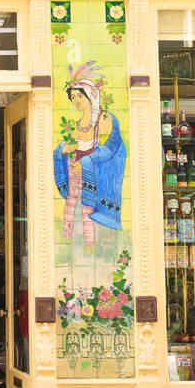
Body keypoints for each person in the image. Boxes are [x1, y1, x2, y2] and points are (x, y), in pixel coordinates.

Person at [53, 61, 127, 253]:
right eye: (73, 97)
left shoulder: (104, 119)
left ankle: (93, 251)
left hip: (92, 180)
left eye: (79, 96)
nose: (76, 101)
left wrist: (84, 162)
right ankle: (72, 250)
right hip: (75, 180)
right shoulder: (77, 124)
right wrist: (62, 149)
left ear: (91, 95)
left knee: (90, 217)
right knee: (73, 215)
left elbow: (109, 149)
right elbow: (69, 148)